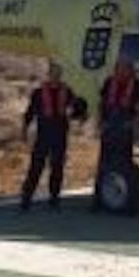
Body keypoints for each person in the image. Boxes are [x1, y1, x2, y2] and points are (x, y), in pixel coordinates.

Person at [20, 62, 87, 212]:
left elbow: (76, 109)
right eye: (53, 73)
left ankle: (54, 198)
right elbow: (30, 112)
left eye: (58, 74)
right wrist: (24, 129)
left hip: (60, 132)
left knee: (57, 167)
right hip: (44, 133)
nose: (55, 76)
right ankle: (26, 198)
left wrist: (81, 114)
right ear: (49, 75)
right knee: (36, 166)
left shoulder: (67, 91)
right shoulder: (38, 92)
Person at [91, 57, 139, 212]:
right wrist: (100, 123)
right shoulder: (109, 83)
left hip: (125, 127)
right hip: (110, 126)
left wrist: (135, 126)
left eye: (125, 68)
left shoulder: (137, 86)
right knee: (104, 163)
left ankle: (126, 200)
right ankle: (99, 200)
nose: (122, 71)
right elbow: (101, 104)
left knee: (123, 164)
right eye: (119, 68)